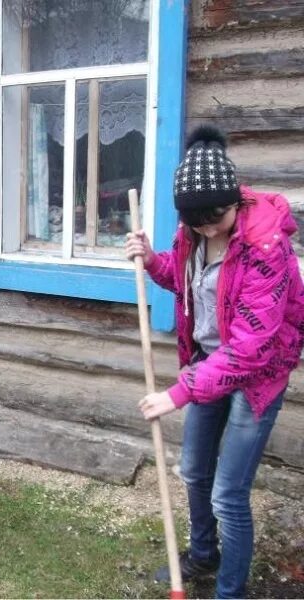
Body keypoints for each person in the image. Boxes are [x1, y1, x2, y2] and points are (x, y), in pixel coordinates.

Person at [125, 125, 304, 598]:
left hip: (257, 376)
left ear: (234, 202)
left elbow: (249, 348)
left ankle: (230, 591)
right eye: (196, 222)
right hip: (208, 365)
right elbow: (189, 282)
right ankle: (203, 557)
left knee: (228, 493)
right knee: (195, 472)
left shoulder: (267, 249)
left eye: (214, 219)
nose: (206, 229)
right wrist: (151, 260)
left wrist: (177, 393)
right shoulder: (195, 233)